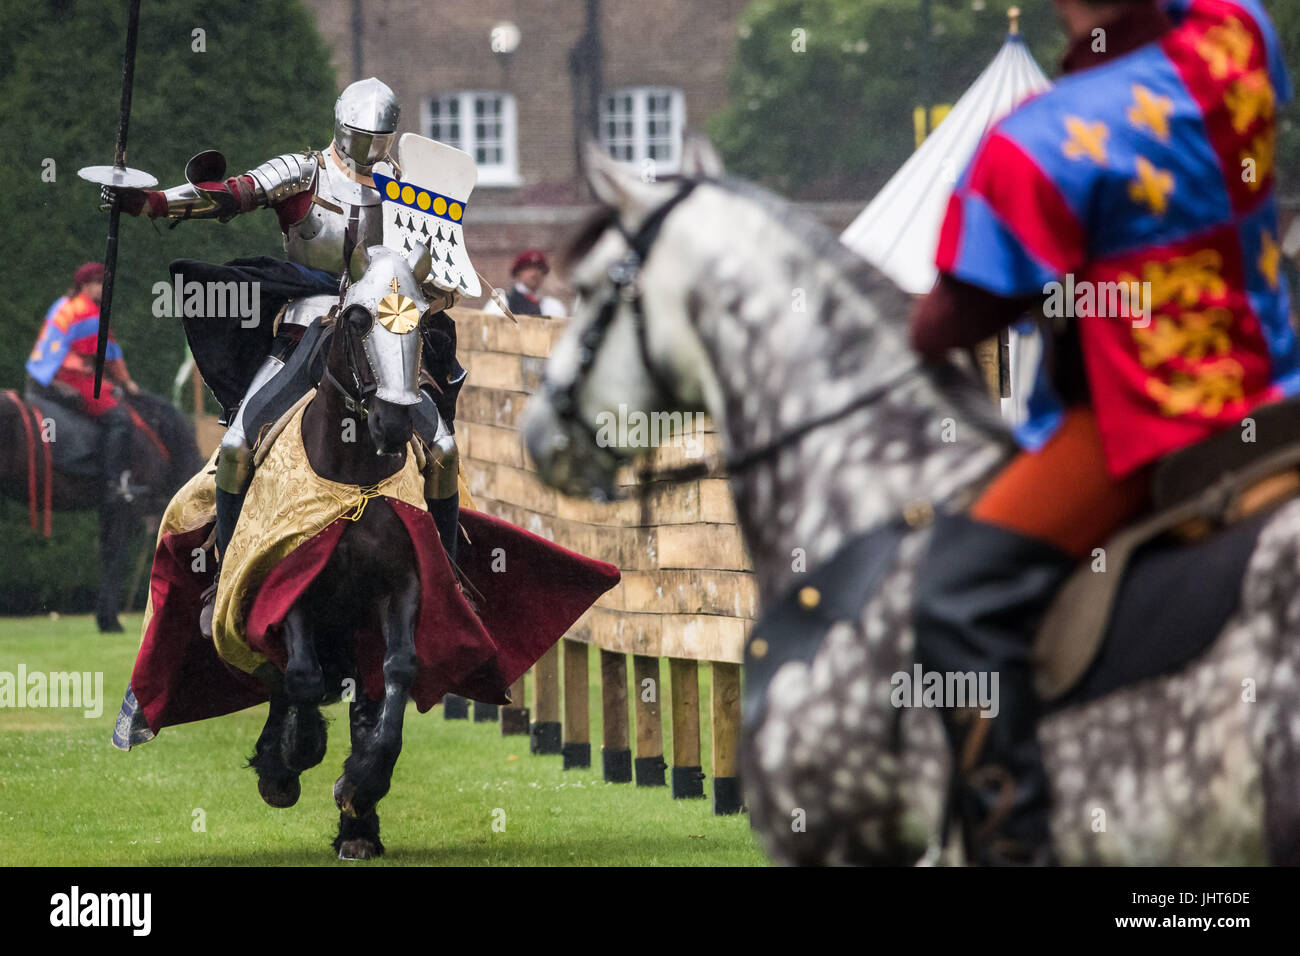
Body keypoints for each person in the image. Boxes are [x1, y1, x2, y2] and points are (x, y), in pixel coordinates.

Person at [909, 0, 1295, 864]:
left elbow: (946, 322)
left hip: (1162, 423)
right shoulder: (1243, 36)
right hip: (1277, 390)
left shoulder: (1041, 140)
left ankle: (1013, 843)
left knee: (952, 603)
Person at [108, 77, 473, 627]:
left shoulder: (407, 187)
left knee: (442, 448)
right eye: (360, 136)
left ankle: (447, 584)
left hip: (380, 331)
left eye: (379, 140)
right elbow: (230, 194)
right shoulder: (304, 172)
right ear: (339, 128)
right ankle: (226, 572)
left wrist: (437, 291)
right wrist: (155, 202)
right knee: (235, 444)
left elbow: (430, 267)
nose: (368, 149)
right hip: (307, 327)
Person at [26, 261, 142, 501]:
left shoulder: (63, 304)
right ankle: (115, 483)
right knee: (119, 418)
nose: (103, 288)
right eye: (98, 283)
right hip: (69, 377)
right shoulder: (88, 312)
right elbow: (107, 355)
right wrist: (126, 382)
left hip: (42, 375)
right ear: (84, 285)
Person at [485, 249, 568, 317]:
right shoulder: (501, 303)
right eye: (528, 268)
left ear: (543, 274)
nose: (534, 274)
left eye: (539, 268)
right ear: (518, 272)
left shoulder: (553, 306)